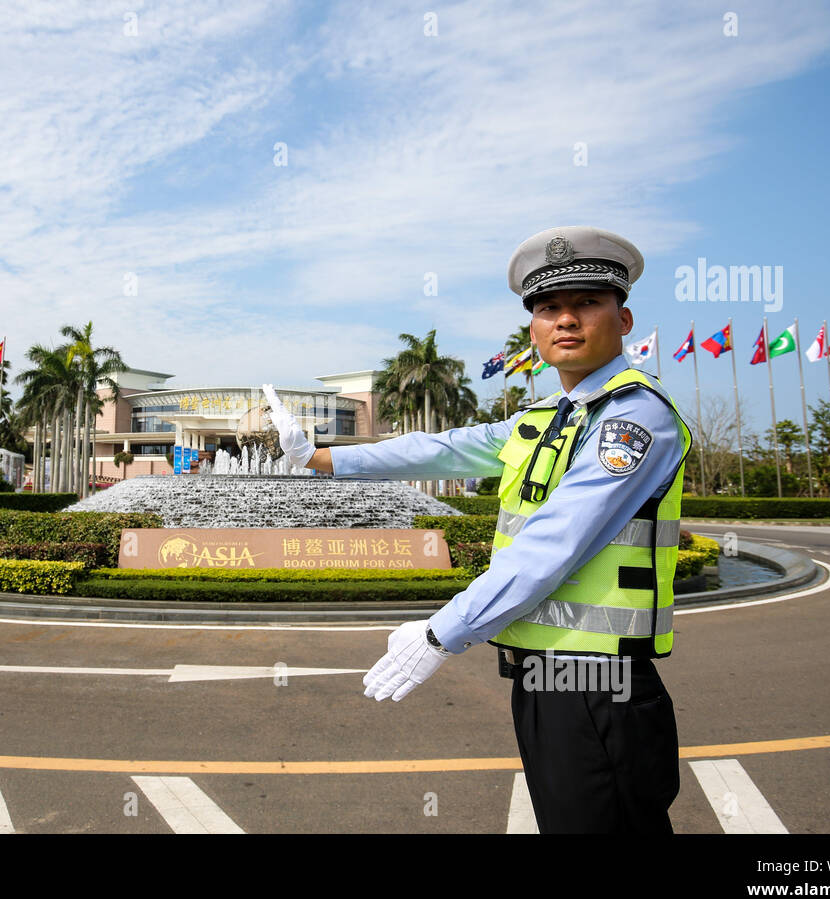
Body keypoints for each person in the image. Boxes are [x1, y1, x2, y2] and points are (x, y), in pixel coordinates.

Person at [262, 226, 693, 834]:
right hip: (548, 672)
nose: (565, 320)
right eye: (548, 308)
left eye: (586, 304)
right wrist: (319, 459)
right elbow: (438, 448)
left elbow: (555, 543)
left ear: (623, 321)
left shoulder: (634, 418)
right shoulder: (549, 417)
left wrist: (443, 633)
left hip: (600, 680)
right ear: (534, 329)